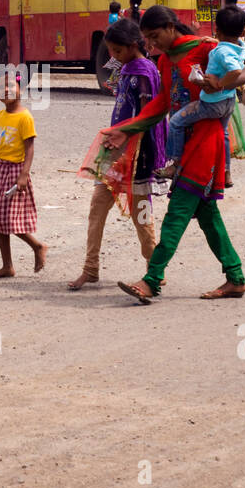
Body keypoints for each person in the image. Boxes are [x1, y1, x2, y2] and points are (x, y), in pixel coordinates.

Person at [105, 5, 245, 304]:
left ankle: (151, 279)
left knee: (177, 214)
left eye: (155, 35)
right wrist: (128, 128)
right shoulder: (164, 60)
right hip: (183, 145)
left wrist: (222, 83)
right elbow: (162, 102)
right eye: (147, 38)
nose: (152, 43)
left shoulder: (205, 48)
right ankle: (236, 278)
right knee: (207, 215)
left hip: (205, 141)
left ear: (171, 27)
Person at [69, 18, 164, 290]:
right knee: (97, 206)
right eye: (110, 50)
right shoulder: (125, 69)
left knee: (141, 214)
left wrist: (128, 137)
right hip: (115, 149)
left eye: (118, 50)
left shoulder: (144, 73)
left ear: (134, 45)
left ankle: (154, 271)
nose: (113, 55)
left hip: (139, 153)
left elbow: (148, 115)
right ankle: (90, 268)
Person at [159, 2, 245, 186]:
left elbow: (236, 71)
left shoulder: (221, 51)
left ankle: (175, 163)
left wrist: (219, 84)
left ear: (218, 29)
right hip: (229, 102)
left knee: (176, 122)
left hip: (212, 102)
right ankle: (226, 172)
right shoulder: (240, 46)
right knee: (223, 133)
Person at [0, 73, 47, 278]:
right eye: (0, 88)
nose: (6, 90)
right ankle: (7, 266)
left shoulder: (25, 117)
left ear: (21, 89)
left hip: (16, 171)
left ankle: (37, 246)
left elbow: (30, 148)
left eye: (10, 86)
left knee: (8, 219)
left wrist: (24, 174)